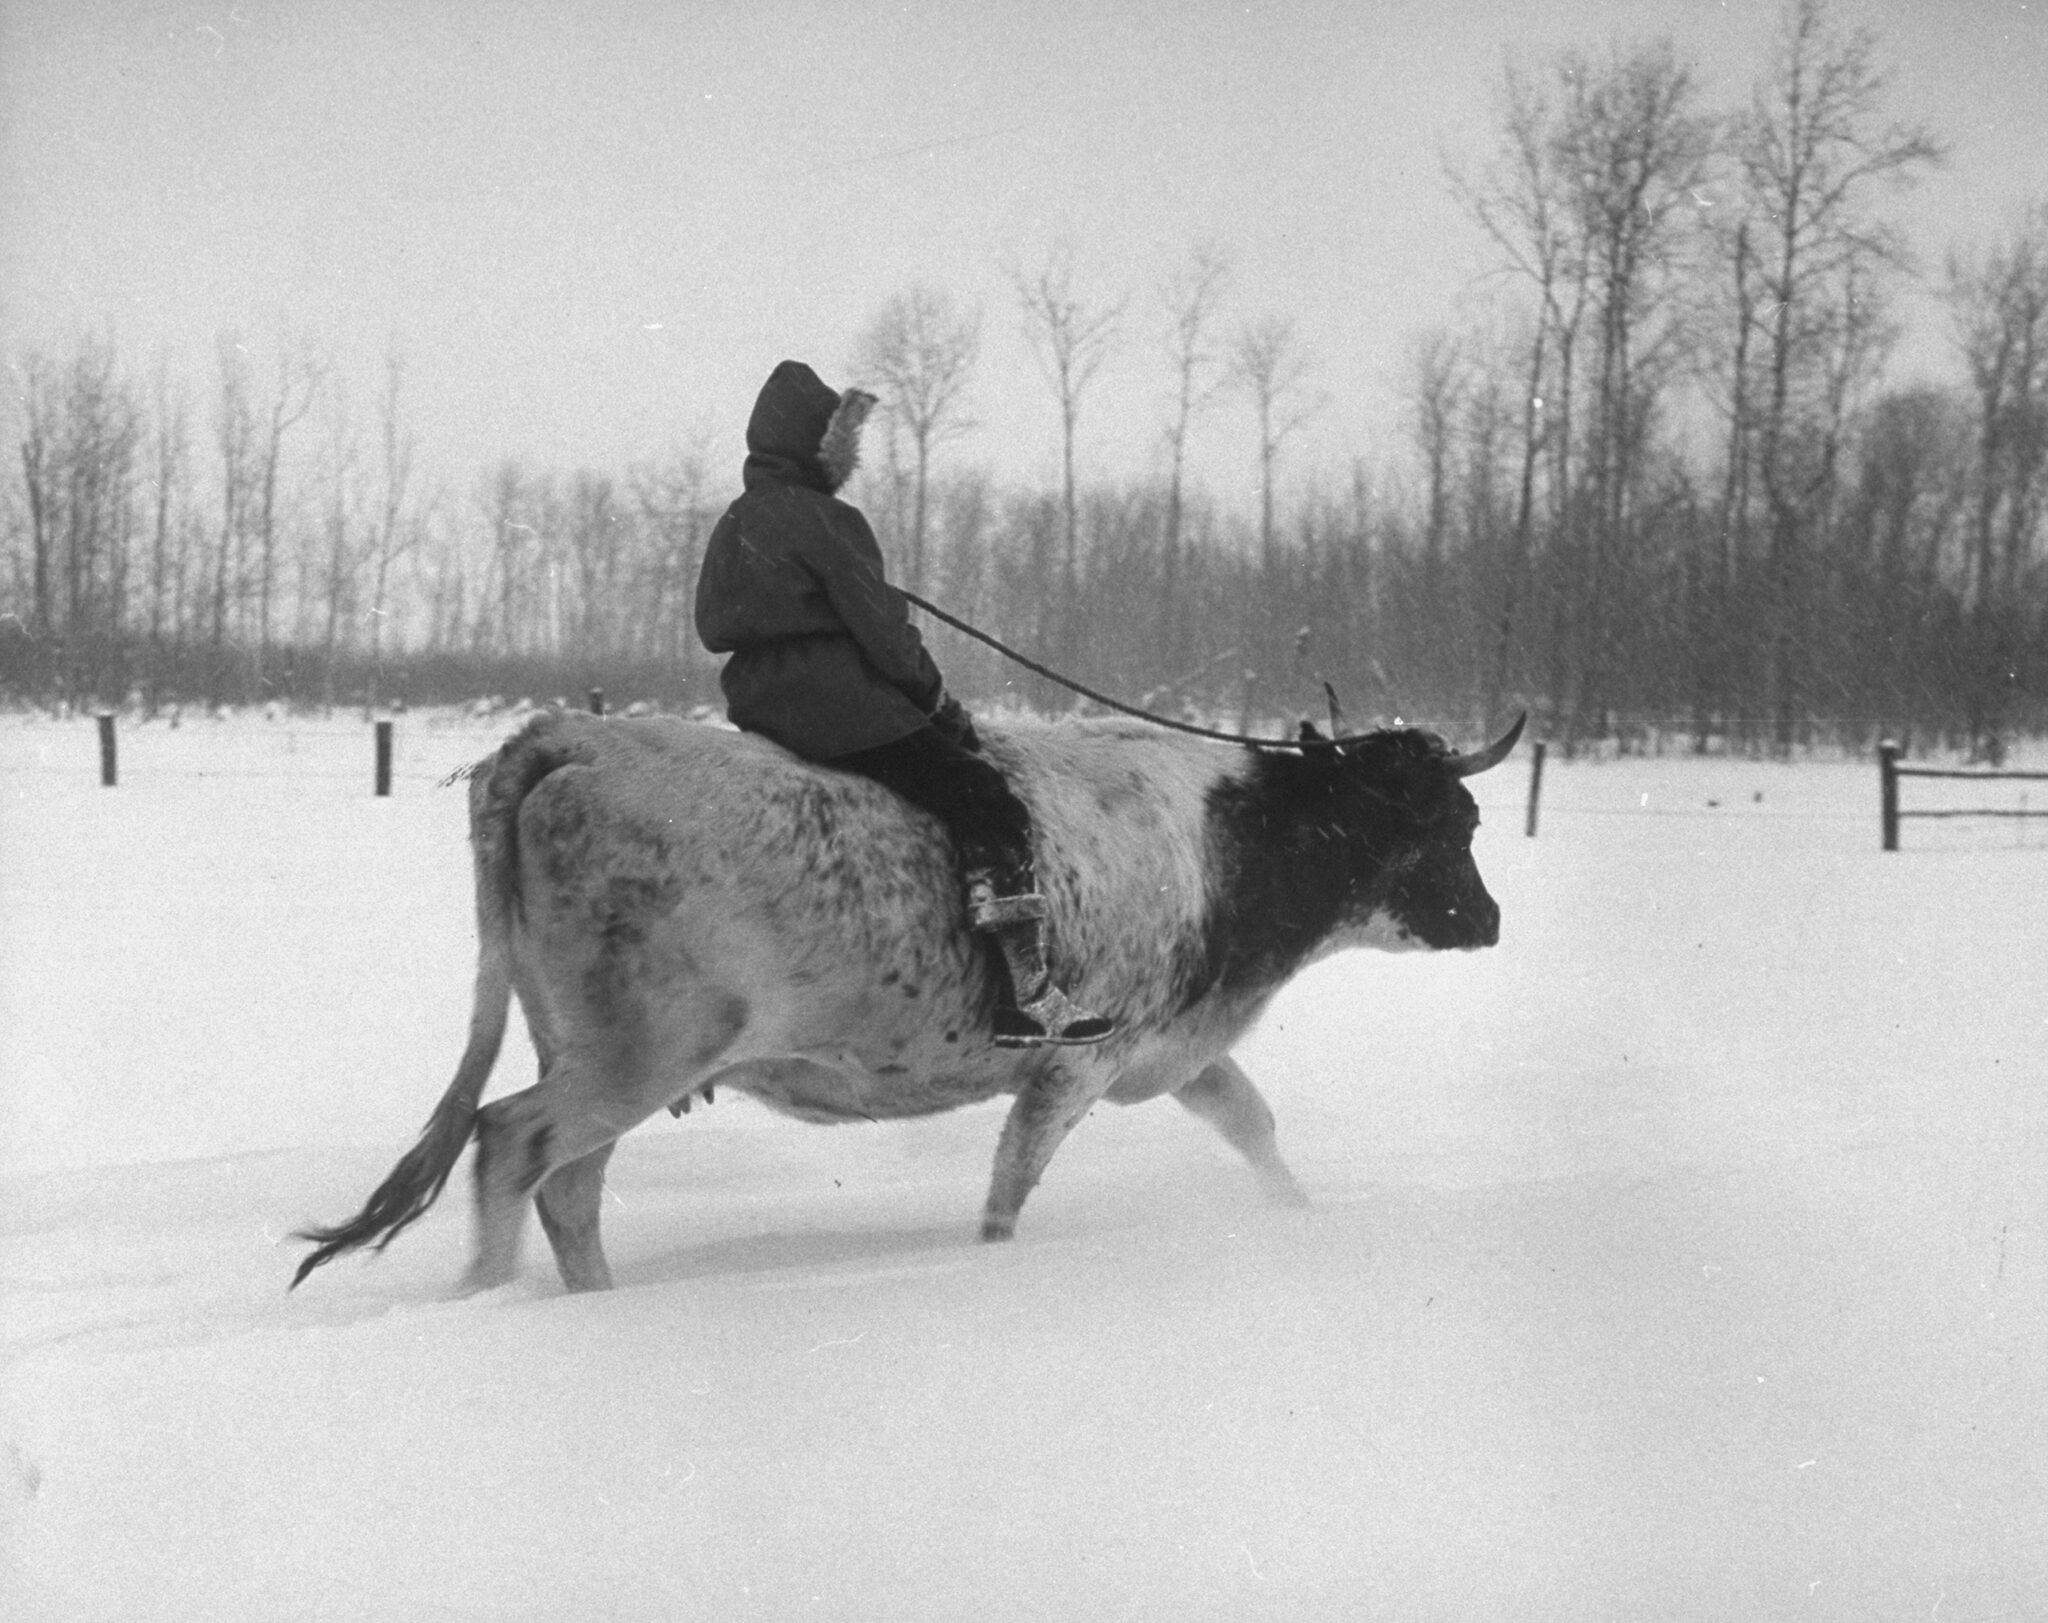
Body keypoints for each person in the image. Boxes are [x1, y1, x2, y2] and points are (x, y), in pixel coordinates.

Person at [694, 359, 1114, 1048]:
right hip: (840, 710)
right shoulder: (830, 519)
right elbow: (885, 637)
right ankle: (1027, 994)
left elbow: (713, 626)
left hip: (758, 704)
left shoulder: (732, 524)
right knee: (986, 798)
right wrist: (936, 699)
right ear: (817, 445)